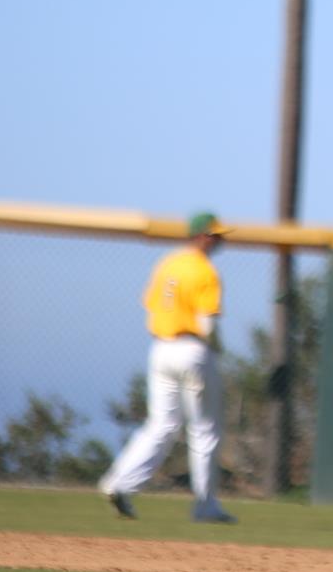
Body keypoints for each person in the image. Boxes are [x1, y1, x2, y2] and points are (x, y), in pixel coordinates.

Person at [98, 211, 238, 524]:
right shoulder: (204, 271)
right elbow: (208, 323)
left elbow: (151, 303)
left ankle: (118, 482)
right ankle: (205, 506)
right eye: (215, 236)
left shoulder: (167, 264)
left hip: (161, 349)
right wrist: (218, 350)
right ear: (202, 237)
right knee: (203, 430)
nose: (220, 241)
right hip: (192, 349)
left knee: (160, 425)